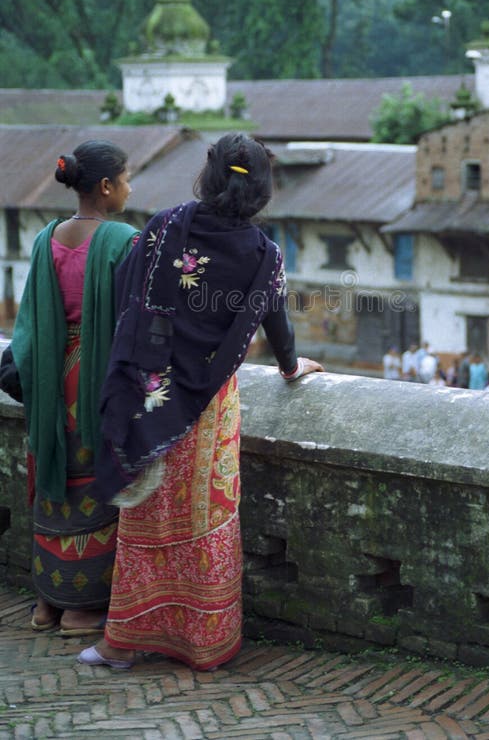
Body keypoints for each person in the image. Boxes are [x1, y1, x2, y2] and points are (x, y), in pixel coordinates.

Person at [78, 132, 324, 672]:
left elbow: (128, 292)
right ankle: (204, 643)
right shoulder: (265, 255)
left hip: (150, 395)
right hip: (211, 405)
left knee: (146, 514)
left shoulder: (165, 227)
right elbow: (276, 323)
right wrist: (291, 368)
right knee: (207, 515)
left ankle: (122, 642)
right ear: (261, 188)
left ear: (208, 175)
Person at [6, 141, 137, 636]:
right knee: (94, 482)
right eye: (126, 178)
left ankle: (48, 602)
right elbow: (136, 323)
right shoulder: (123, 240)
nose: (130, 186)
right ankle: (82, 608)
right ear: (105, 187)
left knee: (53, 479)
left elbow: (30, 324)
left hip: (49, 378)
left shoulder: (46, 238)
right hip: (93, 378)